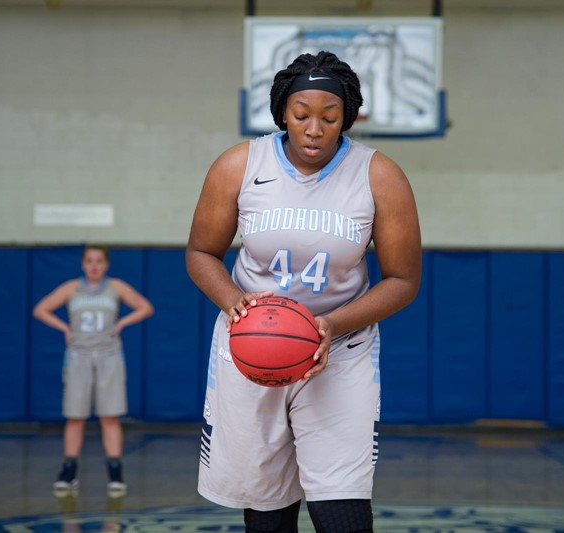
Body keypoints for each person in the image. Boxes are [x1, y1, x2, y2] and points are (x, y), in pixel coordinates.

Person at [185, 51, 422, 532]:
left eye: (329, 118)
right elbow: (201, 252)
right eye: (301, 116)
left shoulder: (379, 175)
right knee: (267, 511)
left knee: (341, 508)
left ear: (346, 118)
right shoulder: (238, 165)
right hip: (254, 350)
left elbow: (403, 280)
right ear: (282, 113)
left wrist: (331, 324)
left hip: (340, 350)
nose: (315, 129)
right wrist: (233, 301)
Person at [33, 245, 153, 498]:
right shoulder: (71, 288)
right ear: (83, 264)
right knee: (75, 416)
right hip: (79, 356)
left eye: (99, 261)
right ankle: (69, 471)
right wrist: (65, 328)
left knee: (109, 416)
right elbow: (40, 309)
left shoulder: (116, 287)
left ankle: (115, 473)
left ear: (106, 264)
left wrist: (122, 322)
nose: (94, 265)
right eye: (89, 260)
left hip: (109, 356)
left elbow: (145, 307)